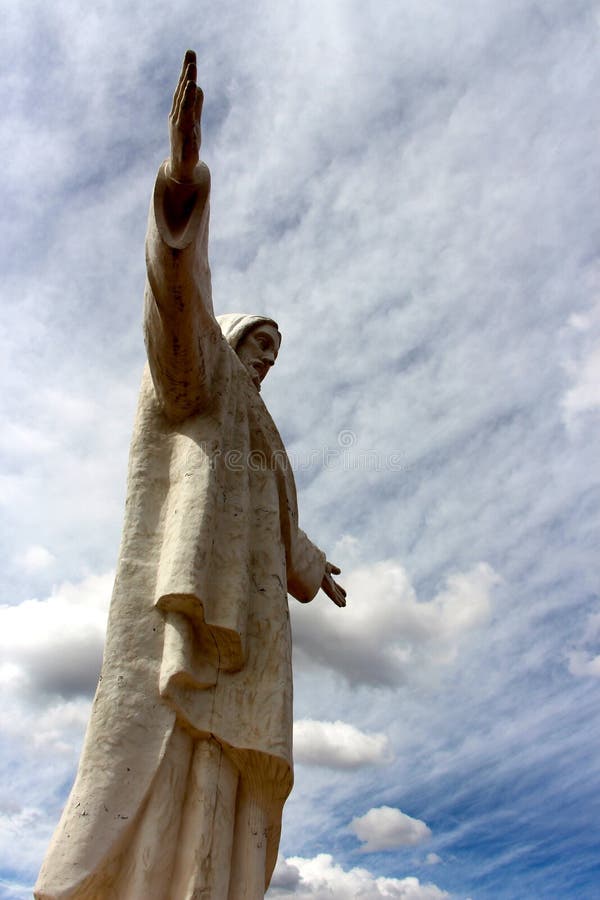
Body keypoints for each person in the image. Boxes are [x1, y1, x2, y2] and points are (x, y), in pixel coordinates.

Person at [35, 50, 346, 900]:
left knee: (230, 767)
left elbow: (281, 526)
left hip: (254, 621)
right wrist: (181, 183)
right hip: (201, 602)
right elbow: (178, 300)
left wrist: (314, 567)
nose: (267, 358)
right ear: (231, 337)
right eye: (259, 342)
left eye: (275, 351)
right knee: (175, 744)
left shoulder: (266, 434)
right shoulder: (200, 373)